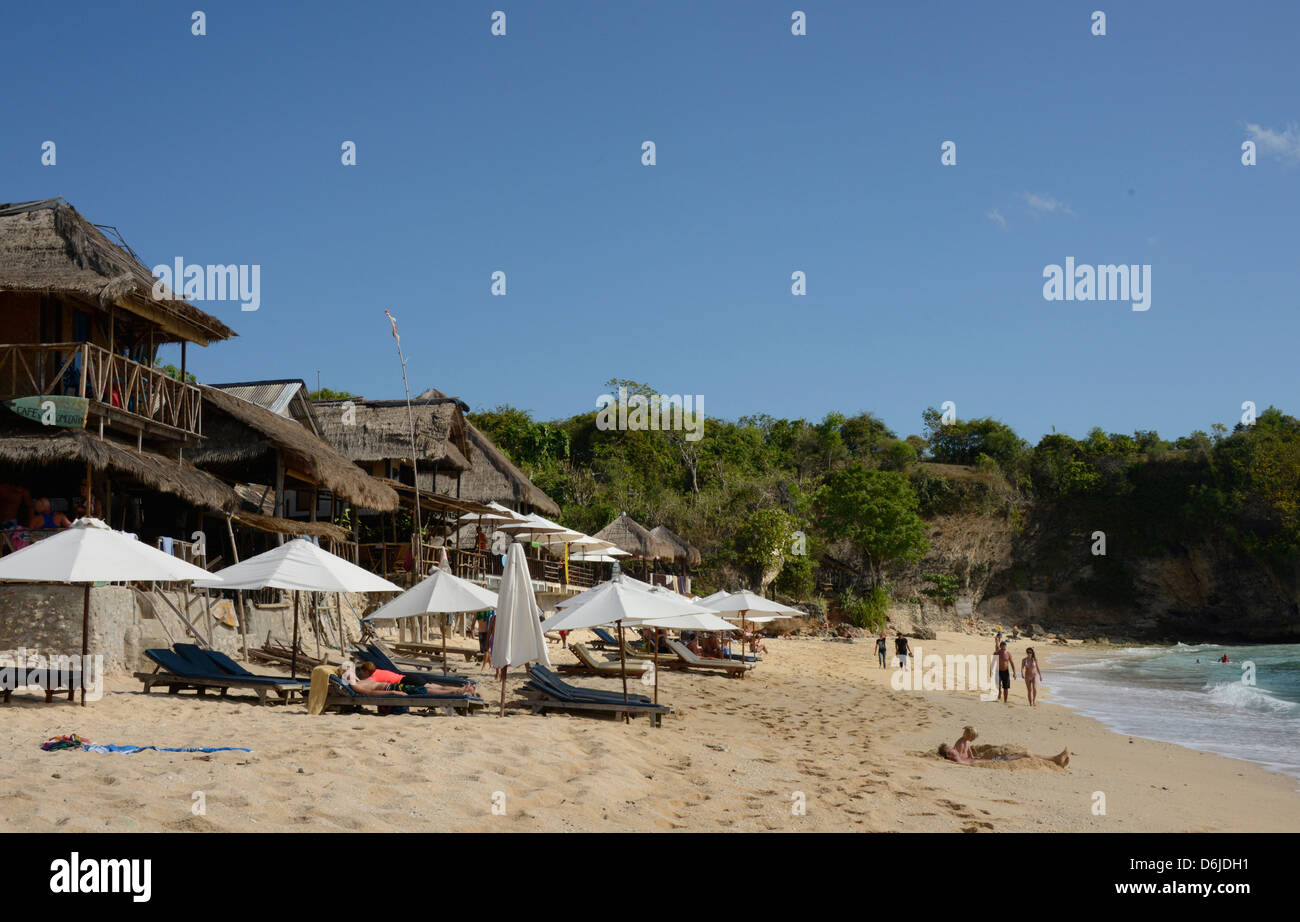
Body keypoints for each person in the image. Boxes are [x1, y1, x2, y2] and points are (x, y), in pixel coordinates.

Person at [938, 726, 1069, 768]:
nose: (954, 749)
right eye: (952, 749)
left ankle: (1055, 759)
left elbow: (969, 757)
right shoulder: (960, 762)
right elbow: (966, 760)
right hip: (997, 762)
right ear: (949, 755)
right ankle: (1055, 759)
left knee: (1026, 753)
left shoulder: (960, 759)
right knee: (1026, 755)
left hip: (994, 761)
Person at [352, 660, 476, 696]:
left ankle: (460, 691)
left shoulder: (373, 676)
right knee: (436, 686)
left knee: (432, 689)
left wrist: (352, 677)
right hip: (409, 677)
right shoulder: (379, 670)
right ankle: (463, 688)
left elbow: (363, 684)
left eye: (362, 673)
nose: (362, 675)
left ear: (366, 671)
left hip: (406, 681)